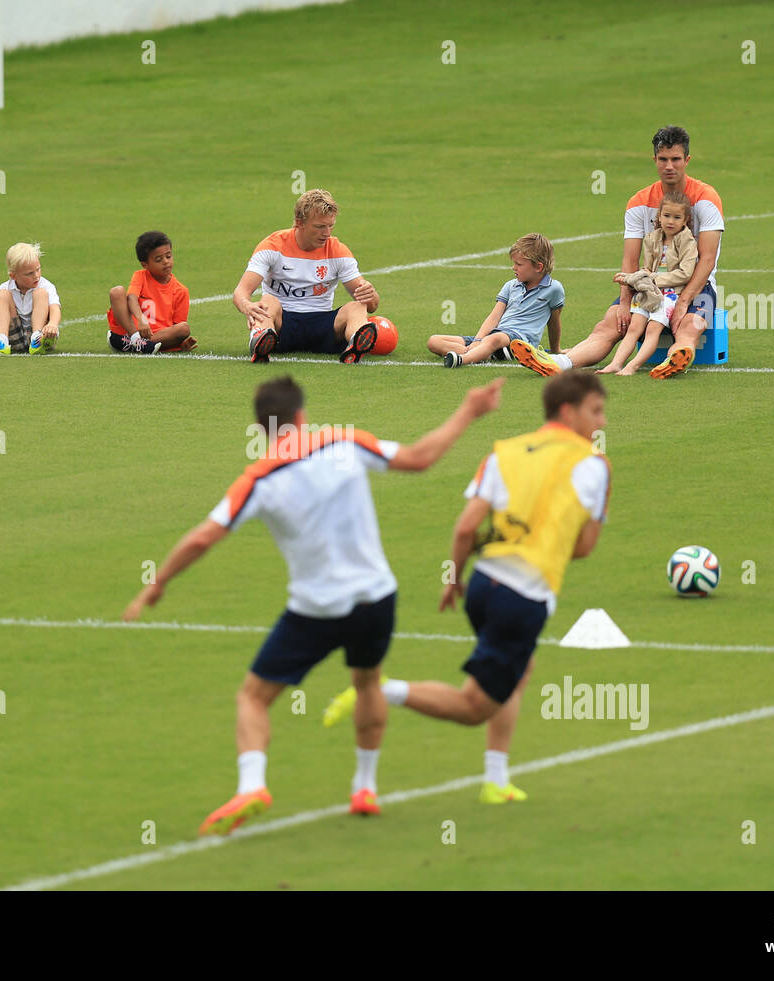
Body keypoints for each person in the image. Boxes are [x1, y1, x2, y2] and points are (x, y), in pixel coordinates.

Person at [122, 375, 505, 835]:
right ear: (301, 416)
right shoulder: (342, 441)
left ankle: (252, 787)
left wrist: (159, 581)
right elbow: (419, 458)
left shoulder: (258, 478)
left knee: (254, 695)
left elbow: (205, 536)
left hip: (316, 610)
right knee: (367, 683)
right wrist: (469, 410)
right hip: (376, 598)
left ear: (263, 428)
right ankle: (364, 787)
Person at [324, 372, 610, 803]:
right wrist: (542, 540)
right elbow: (585, 547)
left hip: (482, 586)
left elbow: (464, 530)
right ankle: (379, 691)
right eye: (596, 411)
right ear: (568, 412)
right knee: (474, 707)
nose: (601, 422)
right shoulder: (593, 464)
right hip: (524, 599)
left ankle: (496, 778)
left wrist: (454, 580)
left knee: (519, 672)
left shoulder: (504, 452)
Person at [509, 126, 723, 379]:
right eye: (663, 159)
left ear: (686, 160)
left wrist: (685, 300)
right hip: (647, 285)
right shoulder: (638, 202)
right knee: (609, 324)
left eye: (675, 159)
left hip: (694, 285)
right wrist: (624, 302)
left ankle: (677, 358)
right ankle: (559, 363)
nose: (669, 166)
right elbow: (630, 259)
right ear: (654, 160)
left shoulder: (706, 198)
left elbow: (707, 259)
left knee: (690, 325)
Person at [231, 189, 382, 364]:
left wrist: (371, 295)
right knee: (267, 302)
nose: (327, 233)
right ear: (299, 223)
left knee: (356, 307)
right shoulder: (272, 246)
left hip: (322, 324)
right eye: (319, 227)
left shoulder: (338, 250)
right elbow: (240, 292)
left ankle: (356, 343)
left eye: (330, 226)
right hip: (281, 325)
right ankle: (261, 339)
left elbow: (371, 305)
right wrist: (247, 306)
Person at [426, 234, 565, 368]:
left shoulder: (554, 289)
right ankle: (485, 354)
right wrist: (477, 340)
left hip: (520, 340)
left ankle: (463, 359)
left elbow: (554, 322)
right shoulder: (511, 285)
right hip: (496, 335)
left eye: (519, 264)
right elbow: (494, 317)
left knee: (494, 339)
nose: (514, 267)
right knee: (434, 341)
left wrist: (556, 349)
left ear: (538, 267)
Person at [596, 192, 697, 376]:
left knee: (652, 329)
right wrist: (631, 278)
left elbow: (685, 273)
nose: (670, 221)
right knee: (634, 328)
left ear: (685, 220)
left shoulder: (687, 241)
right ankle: (616, 364)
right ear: (659, 215)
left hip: (670, 295)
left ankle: (632, 366)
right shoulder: (652, 238)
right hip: (648, 291)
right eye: (666, 215)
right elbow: (647, 268)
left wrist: (653, 278)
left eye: (677, 217)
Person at [106, 231, 195, 355]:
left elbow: (176, 326)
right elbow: (132, 298)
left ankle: (132, 344)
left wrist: (180, 344)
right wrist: (141, 319)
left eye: (168, 256)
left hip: (157, 335)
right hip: (132, 330)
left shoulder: (181, 291)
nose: (165, 262)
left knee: (184, 328)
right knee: (117, 291)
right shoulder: (140, 276)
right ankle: (136, 340)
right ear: (145, 264)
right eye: (158, 259)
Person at [0, 242, 62, 354]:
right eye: (29, 273)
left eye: (38, 269)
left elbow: (55, 309)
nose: (36, 275)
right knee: (2, 295)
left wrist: (52, 324)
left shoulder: (46, 286)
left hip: (43, 336)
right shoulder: (5, 288)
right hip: (14, 338)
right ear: (13, 276)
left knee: (41, 293)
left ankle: (36, 338)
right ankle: (1, 341)